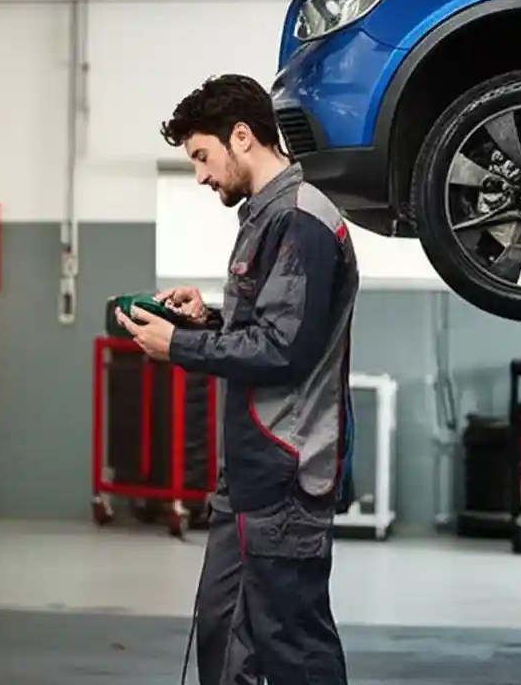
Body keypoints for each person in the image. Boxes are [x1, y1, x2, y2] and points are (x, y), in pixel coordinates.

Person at [113, 74, 359, 685]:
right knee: (224, 630)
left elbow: (283, 349)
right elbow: (275, 323)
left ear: (242, 137)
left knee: (290, 641)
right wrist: (208, 318)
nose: (199, 175)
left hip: (288, 469)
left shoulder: (300, 219)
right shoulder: (267, 216)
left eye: (202, 156)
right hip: (251, 470)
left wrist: (179, 344)